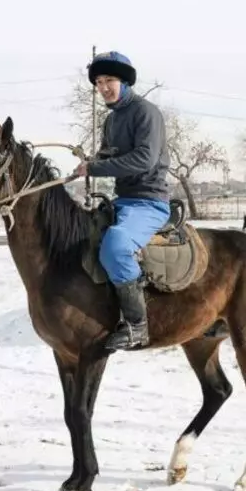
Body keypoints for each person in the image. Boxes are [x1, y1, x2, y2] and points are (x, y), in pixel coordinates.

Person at [75, 51, 171, 352]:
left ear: (125, 81)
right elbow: (109, 154)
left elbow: (144, 159)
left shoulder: (147, 113)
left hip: (149, 202)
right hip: (123, 200)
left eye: (110, 80)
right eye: (99, 82)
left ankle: (137, 326)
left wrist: (97, 167)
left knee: (116, 245)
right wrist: (90, 160)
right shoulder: (112, 120)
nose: (104, 87)